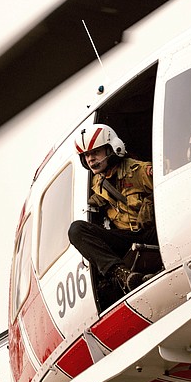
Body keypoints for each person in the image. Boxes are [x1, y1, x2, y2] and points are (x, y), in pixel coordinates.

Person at [68, 123, 156, 293]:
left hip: (152, 232)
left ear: (112, 149)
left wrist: (152, 202)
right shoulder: (97, 184)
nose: (90, 159)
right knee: (76, 230)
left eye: (95, 152)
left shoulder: (139, 171)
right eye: (86, 155)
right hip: (128, 239)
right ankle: (122, 274)